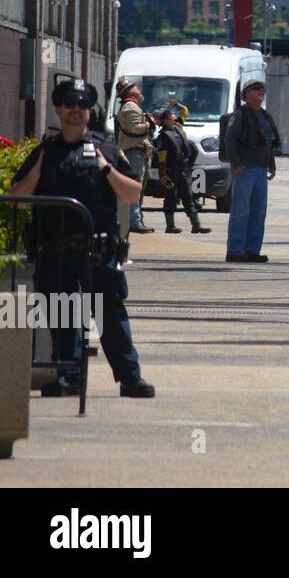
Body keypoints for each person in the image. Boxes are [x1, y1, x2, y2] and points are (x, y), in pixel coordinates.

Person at [11, 78, 156, 398]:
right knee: (62, 316)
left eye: (82, 105)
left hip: (98, 251)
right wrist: (40, 167)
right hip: (55, 248)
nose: (76, 110)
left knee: (111, 317)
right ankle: (69, 375)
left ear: (90, 112)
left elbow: (132, 193)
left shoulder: (106, 148)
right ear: (59, 109)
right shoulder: (46, 150)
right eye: (69, 104)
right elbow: (19, 196)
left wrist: (105, 167)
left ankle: (130, 378)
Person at [225, 80, 279, 263]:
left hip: (260, 170)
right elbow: (229, 140)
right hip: (245, 170)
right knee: (241, 211)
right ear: (246, 94)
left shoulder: (265, 116)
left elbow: (268, 142)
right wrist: (236, 164)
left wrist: (271, 164)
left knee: (258, 212)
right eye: (256, 89)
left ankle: (252, 250)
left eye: (262, 90)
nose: (260, 92)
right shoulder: (240, 115)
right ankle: (235, 250)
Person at [154, 106, 210, 235]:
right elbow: (162, 157)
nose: (175, 116)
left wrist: (176, 104)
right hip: (171, 171)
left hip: (183, 169)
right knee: (170, 197)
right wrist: (163, 174)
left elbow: (185, 111)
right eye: (171, 115)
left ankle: (196, 225)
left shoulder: (177, 127)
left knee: (188, 196)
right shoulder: (163, 137)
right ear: (166, 120)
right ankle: (170, 226)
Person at [114, 77, 153, 234]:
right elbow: (134, 128)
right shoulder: (130, 106)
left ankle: (135, 220)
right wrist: (148, 124)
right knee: (135, 186)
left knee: (138, 187)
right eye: (134, 87)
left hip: (137, 150)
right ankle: (134, 222)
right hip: (133, 151)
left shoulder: (132, 106)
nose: (138, 89)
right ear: (129, 91)